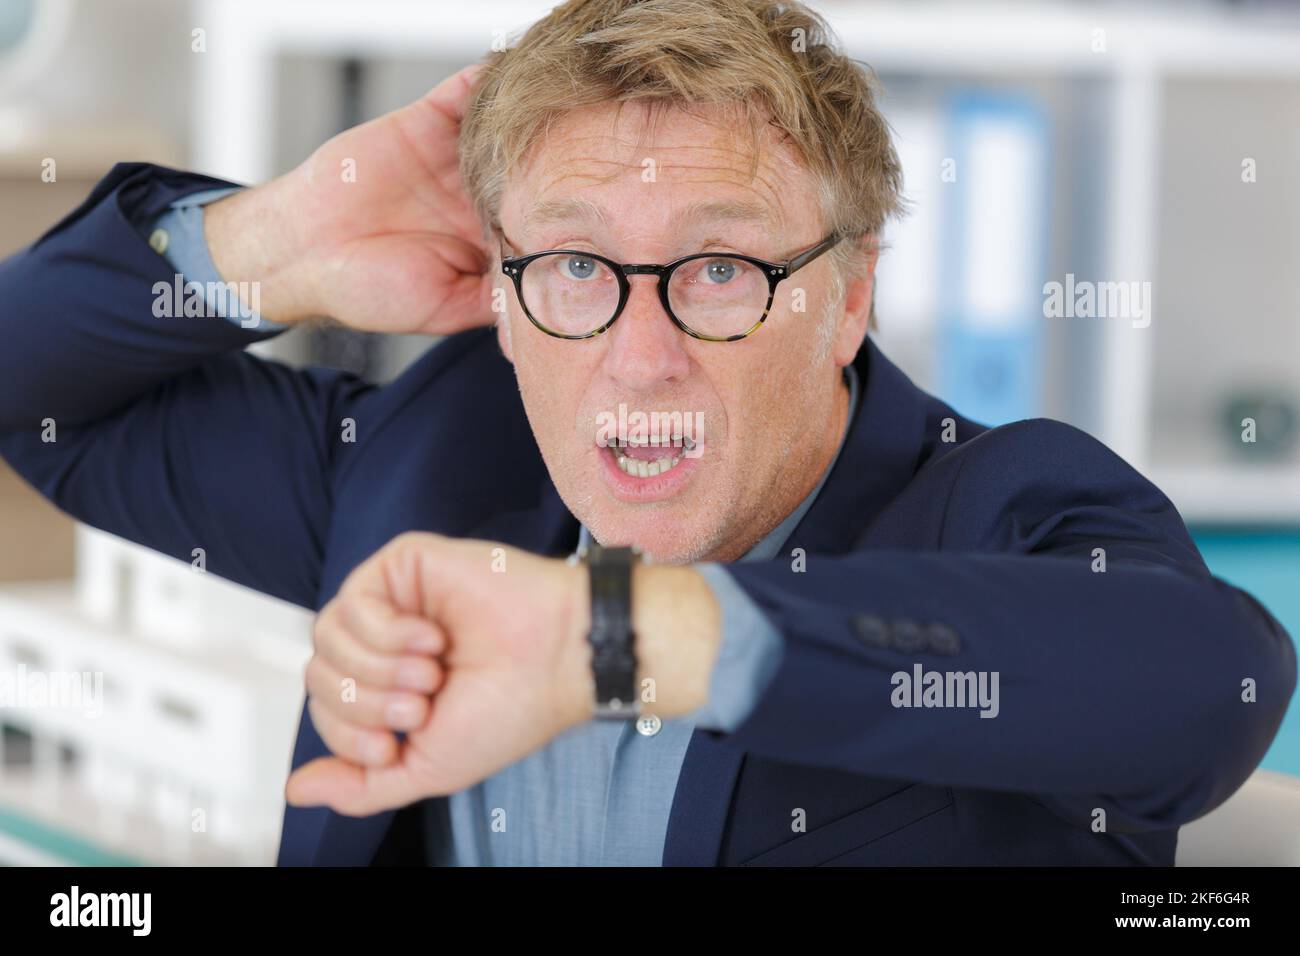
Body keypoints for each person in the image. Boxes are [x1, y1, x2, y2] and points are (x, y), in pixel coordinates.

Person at [0, 0, 1294, 866]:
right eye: (573, 265)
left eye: (721, 269)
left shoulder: (988, 505)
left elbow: (1210, 685)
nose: (639, 352)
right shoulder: (436, 466)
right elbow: (33, 394)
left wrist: (613, 640)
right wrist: (282, 238)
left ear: (849, 296)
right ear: (500, 292)